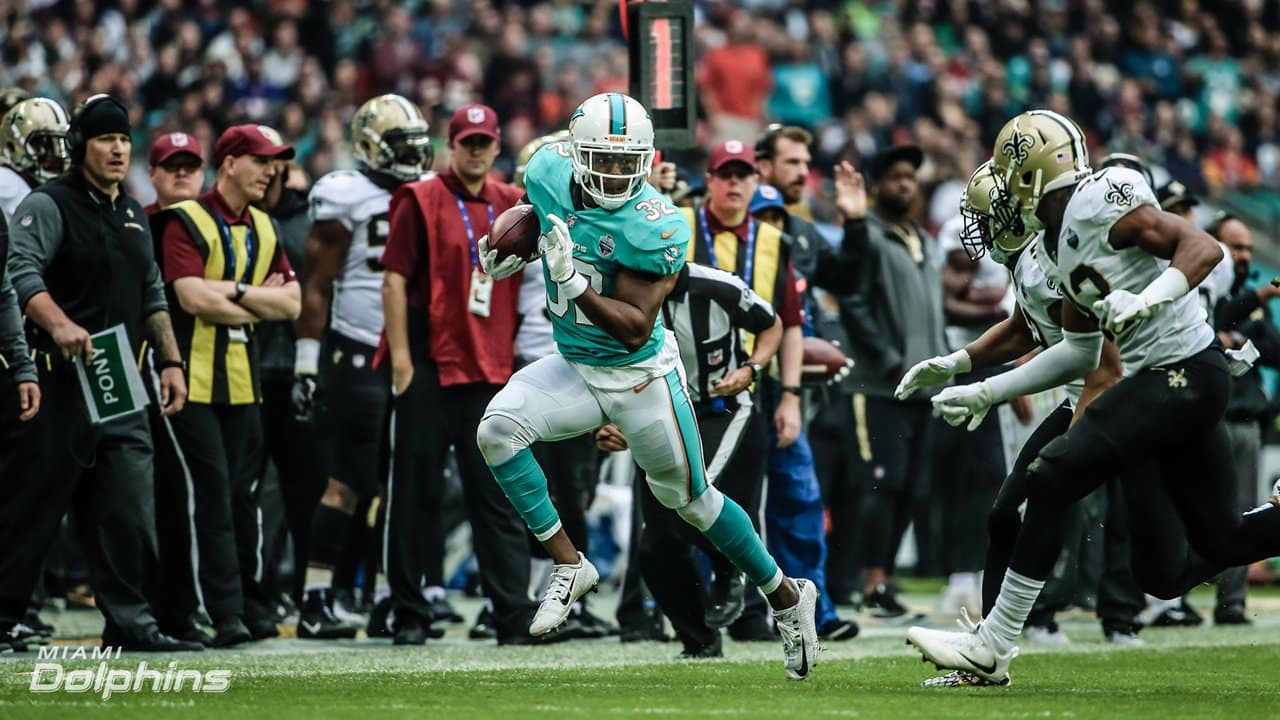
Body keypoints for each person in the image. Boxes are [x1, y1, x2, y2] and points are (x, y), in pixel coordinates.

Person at [907, 109, 1280, 684]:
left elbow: (1202, 248)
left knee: (1053, 473)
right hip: (1167, 386)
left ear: (1033, 171)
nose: (1001, 192)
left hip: (1181, 370)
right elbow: (1080, 353)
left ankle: (993, 646)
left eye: (1008, 174)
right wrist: (982, 387)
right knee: (1186, 559)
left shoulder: (1099, 198)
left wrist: (1150, 299)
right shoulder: (1053, 245)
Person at [475, 92, 820, 680]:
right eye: (602, 161)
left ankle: (786, 595)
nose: (614, 173)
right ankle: (569, 565)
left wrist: (570, 281)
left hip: (640, 378)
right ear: (576, 155)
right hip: (576, 366)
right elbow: (536, 220)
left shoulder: (654, 222)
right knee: (498, 432)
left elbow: (636, 330)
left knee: (691, 502)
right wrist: (511, 249)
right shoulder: (547, 170)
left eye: (624, 161)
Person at [896, 160, 1126, 685]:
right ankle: (990, 651)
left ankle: (1001, 641)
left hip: (1129, 396)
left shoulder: (1066, 250)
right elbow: (1024, 326)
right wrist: (959, 362)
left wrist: (988, 389)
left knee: (1181, 556)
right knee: (1005, 513)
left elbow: (1098, 363)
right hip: (1080, 396)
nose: (979, 227)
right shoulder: (1030, 257)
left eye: (987, 214)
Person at [2, 94, 198, 652]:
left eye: (122, 140)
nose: (116, 149)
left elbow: (152, 290)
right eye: (104, 140)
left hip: (117, 376)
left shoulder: (132, 210)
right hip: (58, 375)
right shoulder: (49, 203)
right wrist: (58, 324)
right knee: (32, 506)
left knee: (128, 506)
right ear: (79, 148)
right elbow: (19, 270)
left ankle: (131, 620)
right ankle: (2, 615)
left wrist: (171, 361)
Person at [380, 103, 538, 646]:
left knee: (495, 496)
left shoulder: (514, 206)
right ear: (451, 145)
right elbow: (394, 279)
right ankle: (408, 612)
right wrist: (401, 360)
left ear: (497, 147)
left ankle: (513, 614)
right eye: (467, 141)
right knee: (415, 494)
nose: (476, 150)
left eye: (485, 142)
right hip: (428, 362)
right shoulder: (419, 199)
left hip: (490, 367)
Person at [153, 123, 301, 647]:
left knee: (242, 498)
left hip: (244, 382)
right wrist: (252, 295)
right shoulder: (184, 219)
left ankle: (240, 604)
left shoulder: (266, 224)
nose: (271, 171)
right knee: (208, 496)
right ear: (231, 162)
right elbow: (190, 297)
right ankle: (213, 611)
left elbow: (292, 304)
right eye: (261, 160)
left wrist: (230, 295)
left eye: (275, 161)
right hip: (188, 381)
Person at [292, 94, 432, 639]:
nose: (415, 158)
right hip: (357, 350)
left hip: (408, 353)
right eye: (403, 147)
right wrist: (308, 362)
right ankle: (315, 597)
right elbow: (316, 285)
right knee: (348, 481)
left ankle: (383, 596)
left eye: (419, 147)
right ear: (372, 146)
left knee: (399, 484)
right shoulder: (343, 196)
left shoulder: (426, 195)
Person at [596, 260, 783, 658]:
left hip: (722, 408)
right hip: (656, 412)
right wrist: (604, 418)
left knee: (694, 502)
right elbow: (598, 361)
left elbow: (772, 323)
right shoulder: (612, 290)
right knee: (654, 543)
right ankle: (698, 639)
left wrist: (752, 368)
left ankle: (728, 569)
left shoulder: (717, 286)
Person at [752, 125, 861, 642]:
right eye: (792, 161)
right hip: (730, 380)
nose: (803, 171)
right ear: (763, 165)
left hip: (784, 383)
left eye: (805, 161)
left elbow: (847, 278)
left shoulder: (802, 228)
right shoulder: (726, 220)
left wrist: (855, 221)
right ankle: (708, 608)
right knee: (720, 497)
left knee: (799, 495)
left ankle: (812, 608)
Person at [836, 144, 949, 617]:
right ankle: (870, 585)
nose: (906, 184)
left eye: (912, 177)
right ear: (876, 185)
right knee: (879, 485)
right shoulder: (867, 236)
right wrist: (887, 360)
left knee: (910, 489)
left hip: (921, 387)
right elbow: (852, 301)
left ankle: (884, 582)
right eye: (897, 176)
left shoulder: (919, 237)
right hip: (877, 386)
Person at [142, 130, 211, 646]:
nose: (183, 173)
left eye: (190, 165)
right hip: (143, 369)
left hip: (201, 375)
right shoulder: (138, 223)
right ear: (154, 173)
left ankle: (180, 609)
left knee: (184, 492)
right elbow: (183, 297)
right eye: (172, 166)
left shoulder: (222, 225)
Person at [1209, 214, 1280, 625]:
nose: (1243, 256)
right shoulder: (1200, 286)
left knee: (1245, 512)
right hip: (1207, 421)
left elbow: (1274, 347)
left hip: (1247, 422)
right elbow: (1213, 324)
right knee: (1200, 508)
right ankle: (1175, 599)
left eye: (1248, 249)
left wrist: (1237, 335)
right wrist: (1252, 306)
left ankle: (1231, 601)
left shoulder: (1249, 300)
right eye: (1236, 247)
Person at [0, 97, 70, 223]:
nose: (56, 156)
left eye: (60, 143)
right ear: (12, 147)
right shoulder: (7, 183)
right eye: (42, 144)